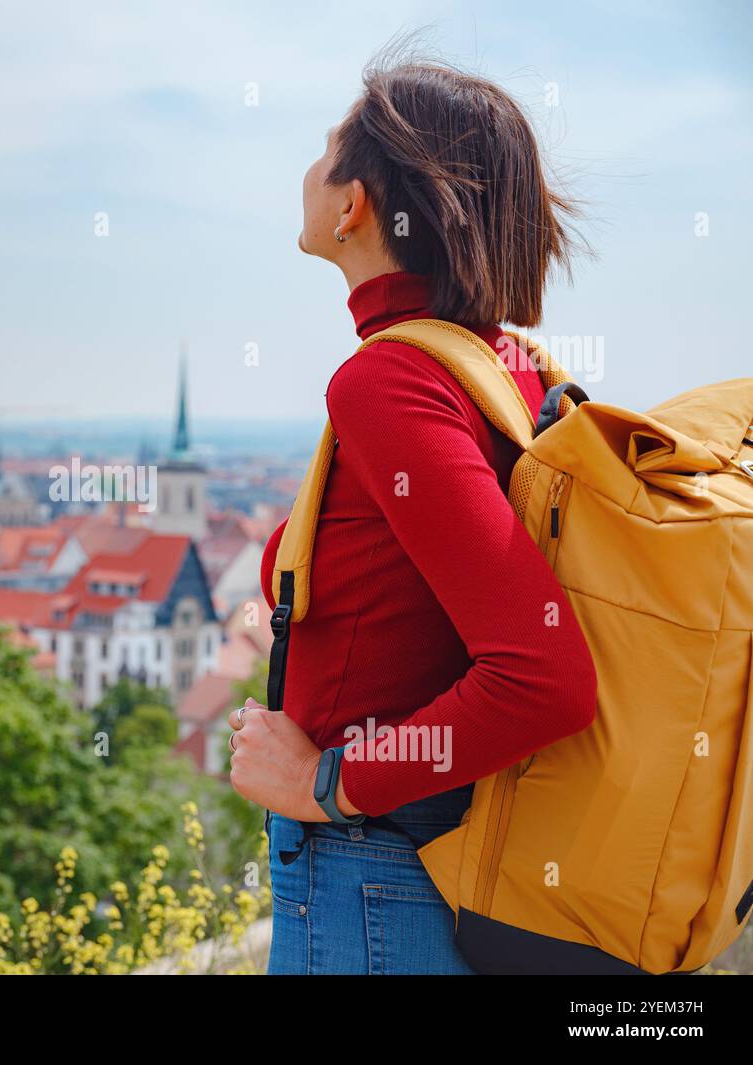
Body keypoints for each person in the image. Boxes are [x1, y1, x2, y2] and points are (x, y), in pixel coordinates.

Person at [227, 55, 598, 975]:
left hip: (375, 867)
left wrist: (327, 783)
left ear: (355, 203)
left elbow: (545, 676)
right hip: (436, 857)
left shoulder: (393, 377)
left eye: (325, 154)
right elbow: (418, 559)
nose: (309, 172)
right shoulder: (511, 366)